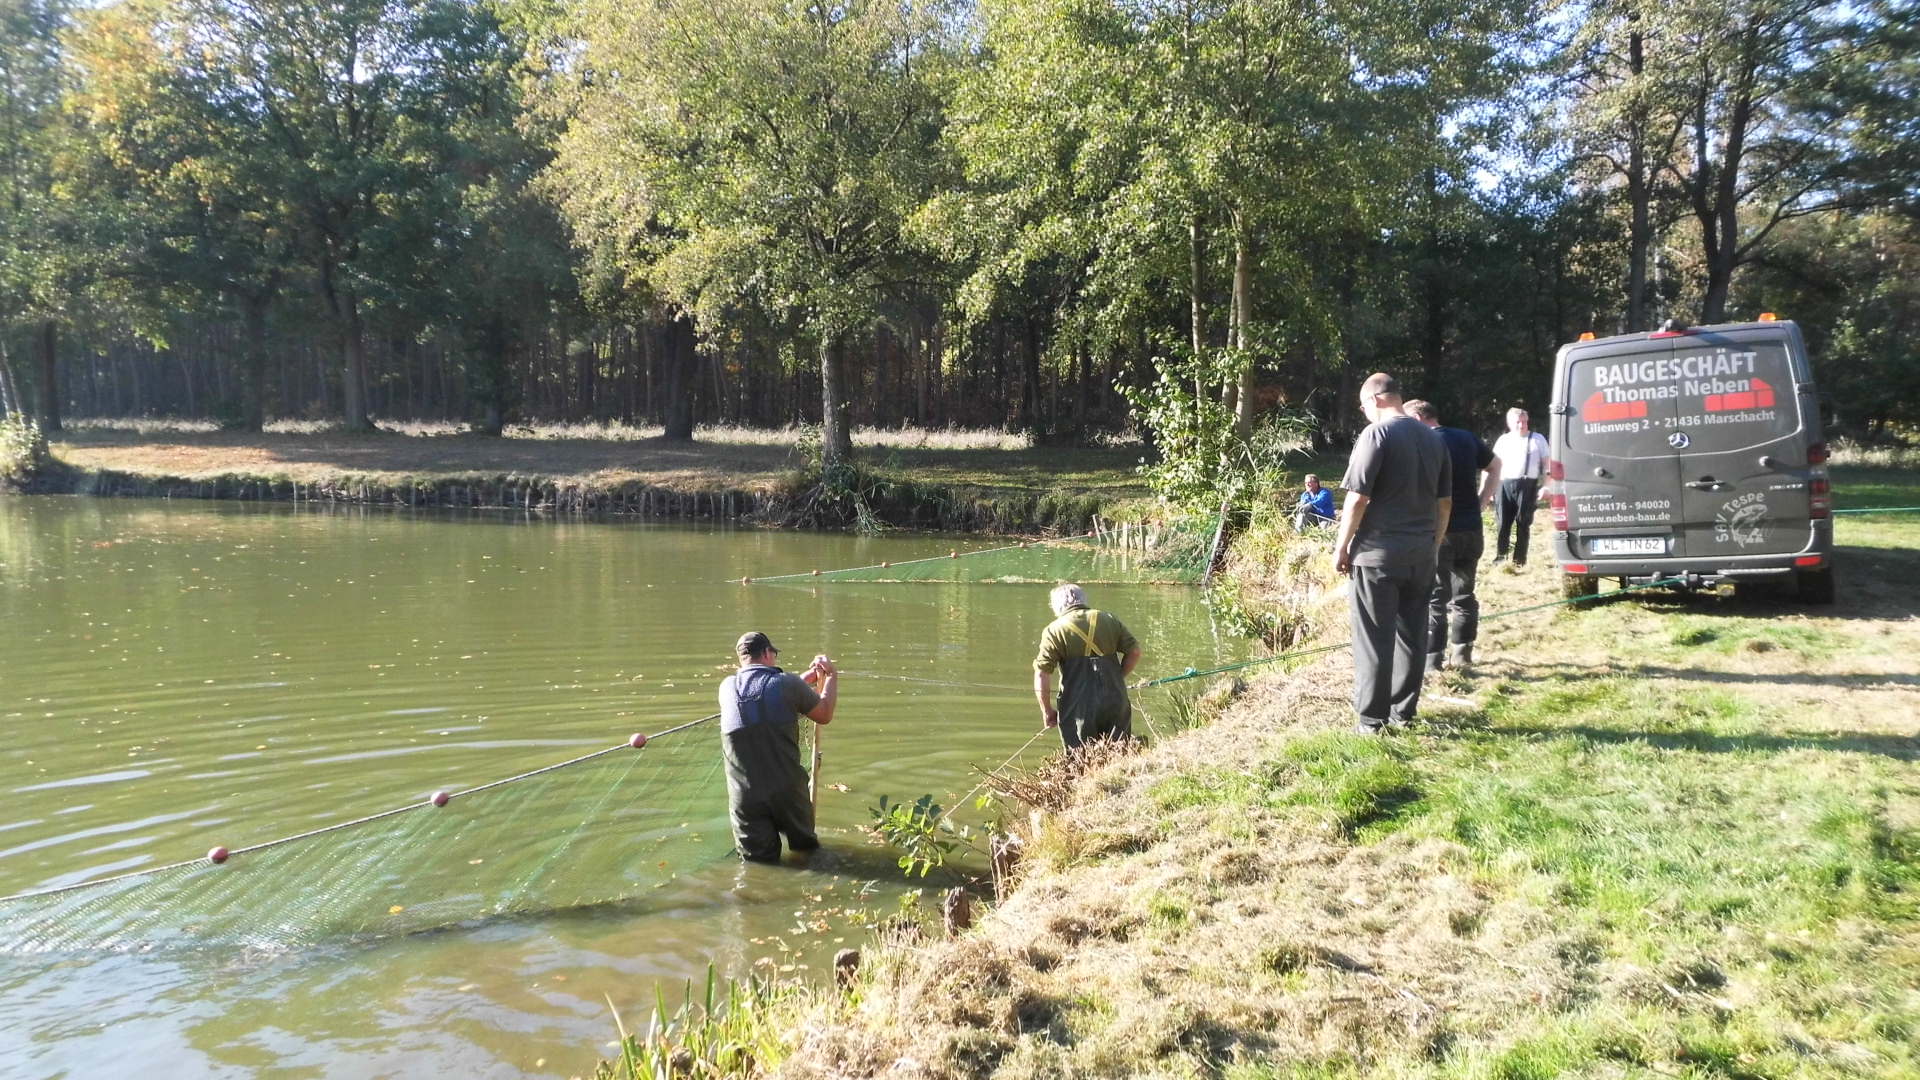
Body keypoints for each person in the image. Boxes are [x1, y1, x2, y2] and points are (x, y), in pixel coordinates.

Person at [1332, 373, 1451, 735]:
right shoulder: (1433, 440)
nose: (1364, 413)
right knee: (1413, 636)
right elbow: (1444, 504)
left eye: (1363, 406)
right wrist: (1433, 545)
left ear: (1376, 400)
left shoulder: (1376, 434)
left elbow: (1357, 498)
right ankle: (1404, 712)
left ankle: (1371, 721)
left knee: (1373, 639)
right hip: (1420, 554)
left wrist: (1341, 547)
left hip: (1377, 555)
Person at [719, 631, 837, 862]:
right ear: (766, 653)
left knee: (759, 866)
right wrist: (831, 675)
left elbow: (758, 702)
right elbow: (824, 714)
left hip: (745, 798)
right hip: (788, 793)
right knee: (807, 854)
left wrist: (800, 683)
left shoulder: (726, 687)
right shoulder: (787, 684)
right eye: (774, 654)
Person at [1404, 400, 1498, 672]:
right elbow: (1496, 466)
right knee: (1465, 594)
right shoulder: (1465, 437)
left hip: (1440, 532)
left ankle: (1433, 662)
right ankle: (1462, 654)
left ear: (1419, 418)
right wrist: (1482, 500)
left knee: (1435, 597)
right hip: (1471, 529)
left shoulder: (1424, 443)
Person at [1032, 583, 1141, 749]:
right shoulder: (1108, 619)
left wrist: (1047, 710)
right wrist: (1117, 678)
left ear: (1056, 606)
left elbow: (1042, 674)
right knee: (1119, 752)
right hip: (1115, 699)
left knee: (1080, 758)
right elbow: (1134, 652)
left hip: (1077, 707)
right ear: (1083, 599)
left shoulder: (1054, 630)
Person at [1491, 407, 1550, 566]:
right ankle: (1501, 556)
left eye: (1524, 421)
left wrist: (1546, 486)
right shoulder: (1503, 440)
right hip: (1504, 484)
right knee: (1503, 522)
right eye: (1518, 422)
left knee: (1523, 522)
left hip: (1527, 484)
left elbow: (1547, 466)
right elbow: (1493, 466)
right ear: (1510, 423)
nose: (1522, 425)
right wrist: (1491, 487)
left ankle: (1519, 560)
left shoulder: (1538, 439)